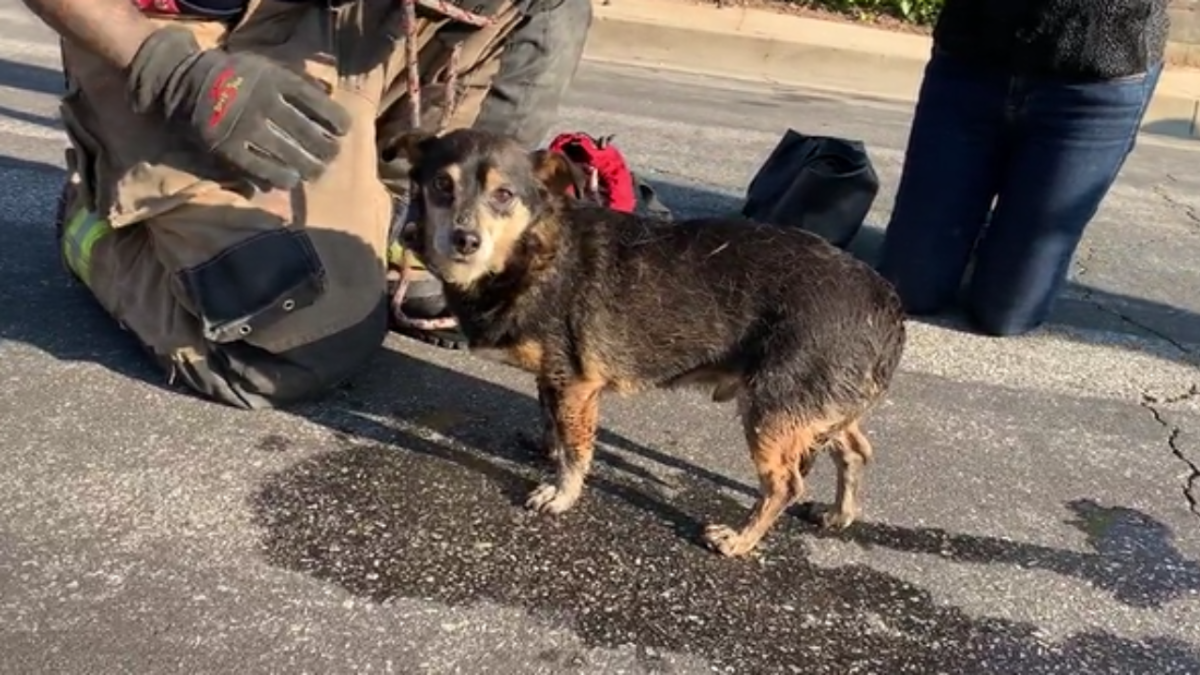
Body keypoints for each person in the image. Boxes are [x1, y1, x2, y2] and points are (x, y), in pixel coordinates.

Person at [27, 0, 593, 409]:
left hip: (339, 21)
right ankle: (93, 234)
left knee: (549, 8)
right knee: (301, 342)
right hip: (191, 38)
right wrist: (175, 72)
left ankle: (412, 225)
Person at [877, 0, 1168, 337]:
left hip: (1096, 81)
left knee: (1006, 315)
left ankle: (1002, 238)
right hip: (971, 61)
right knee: (908, 290)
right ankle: (964, 234)